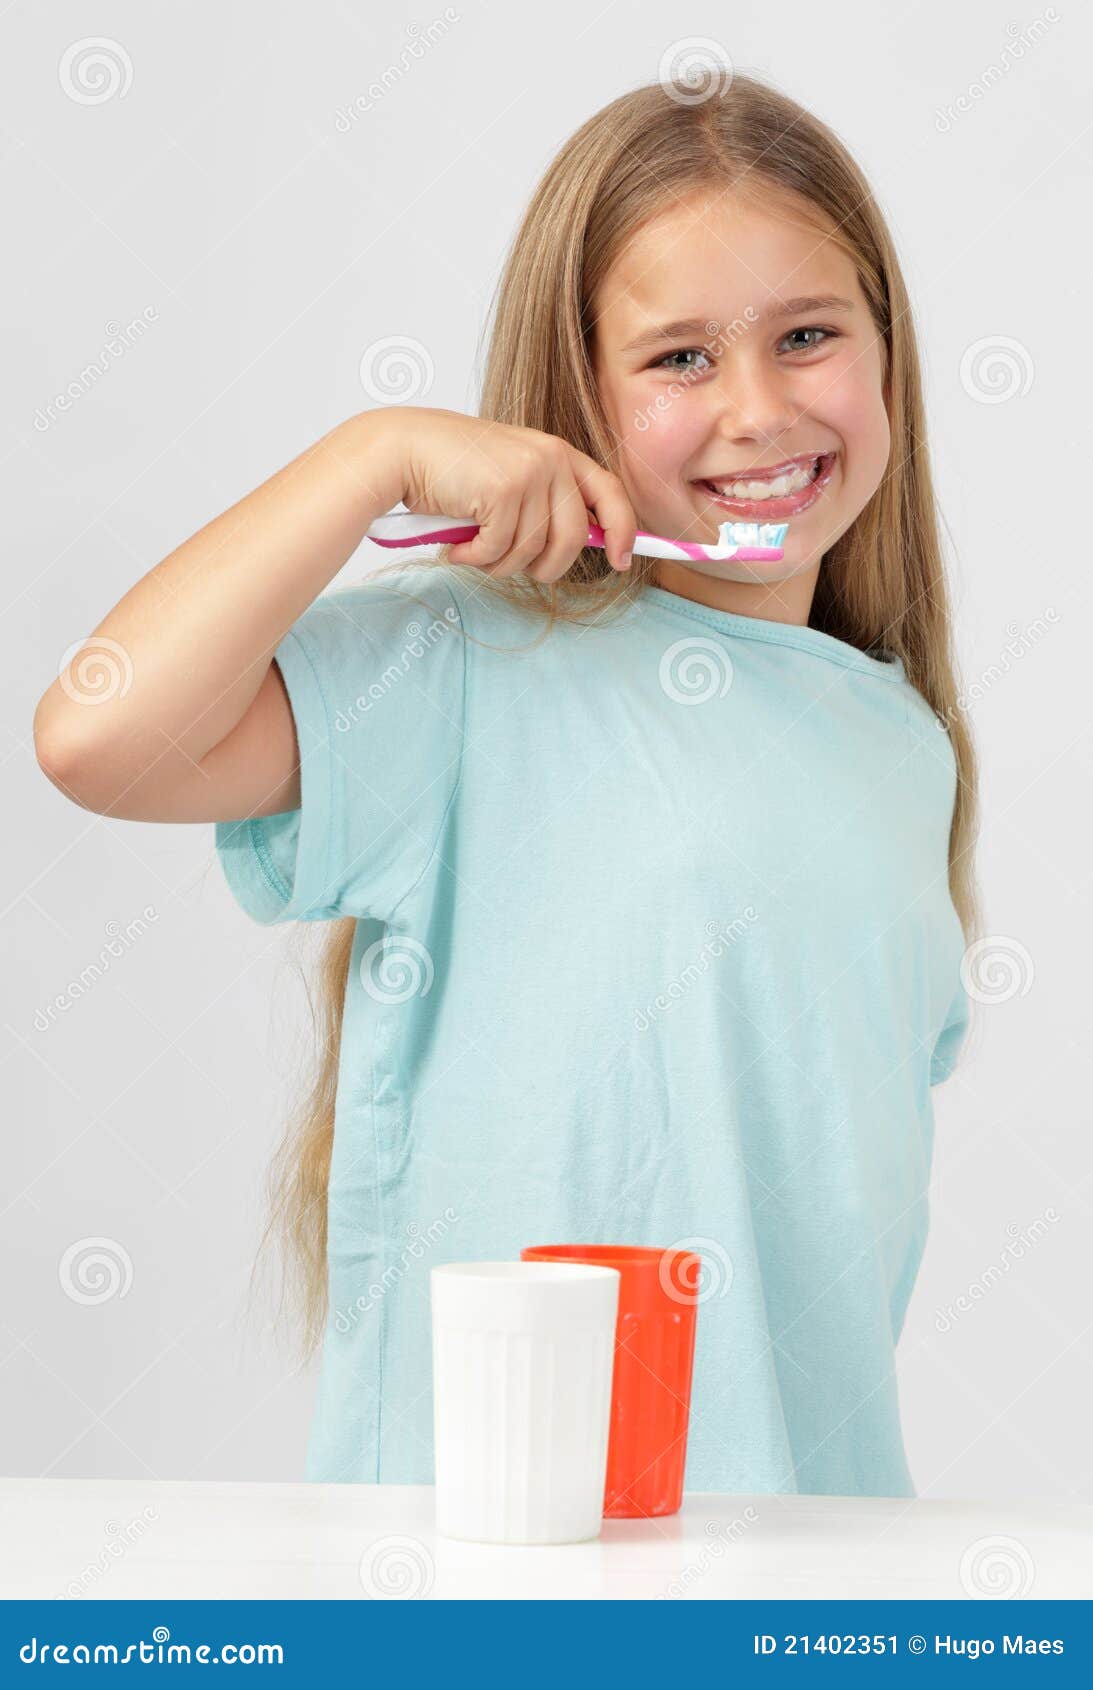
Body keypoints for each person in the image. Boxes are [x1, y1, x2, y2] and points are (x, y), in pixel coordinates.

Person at [34, 73, 979, 1498]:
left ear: (885, 351)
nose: (757, 407)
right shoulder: (467, 660)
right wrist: (372, 458)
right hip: (494, 1561)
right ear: (576, 394)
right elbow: (94, 738)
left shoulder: (902, 744)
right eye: (676, 359)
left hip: (801, 1562)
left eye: (806, 335)